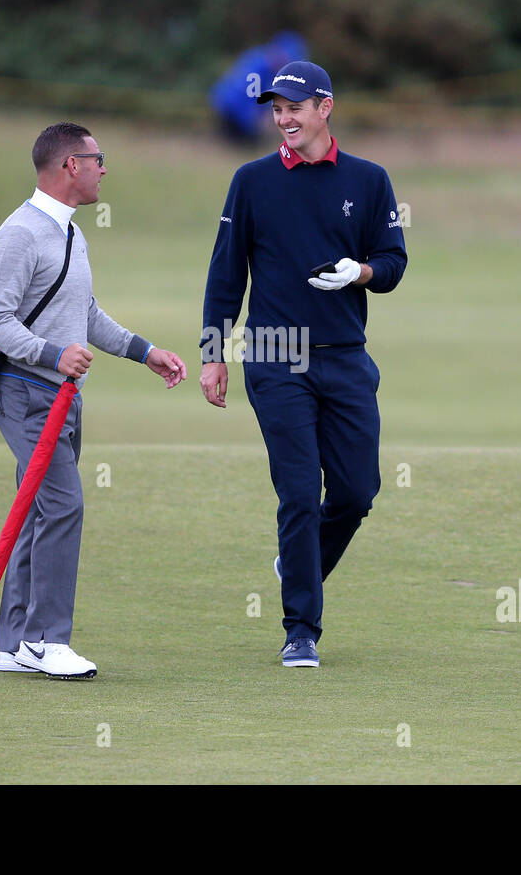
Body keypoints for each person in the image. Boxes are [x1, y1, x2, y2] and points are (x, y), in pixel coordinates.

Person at [199, 62, 407, 668]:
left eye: (294, 107)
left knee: (355, 492)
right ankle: (301, 630)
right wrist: (215, 352)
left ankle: (299, 558)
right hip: (274, 353)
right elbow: (225, 274)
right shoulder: (252, 181)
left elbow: (393, 261)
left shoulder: (369, 180)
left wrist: (361, 272)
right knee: (297, 492)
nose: (284, 119)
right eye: (276, 109)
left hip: (344, 356)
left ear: (325, 107)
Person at [0, 122, 187, 678]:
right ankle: (48, 640)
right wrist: (51, 354)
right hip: (25, 394)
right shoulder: (20, 234)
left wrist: (145, 352)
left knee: (39, 509)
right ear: (71, 165)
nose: (103, 168)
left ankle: (17, 643)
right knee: (64, 505)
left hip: (61, 397)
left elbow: (85, 315)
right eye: (98, 158)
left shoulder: (68, 233)